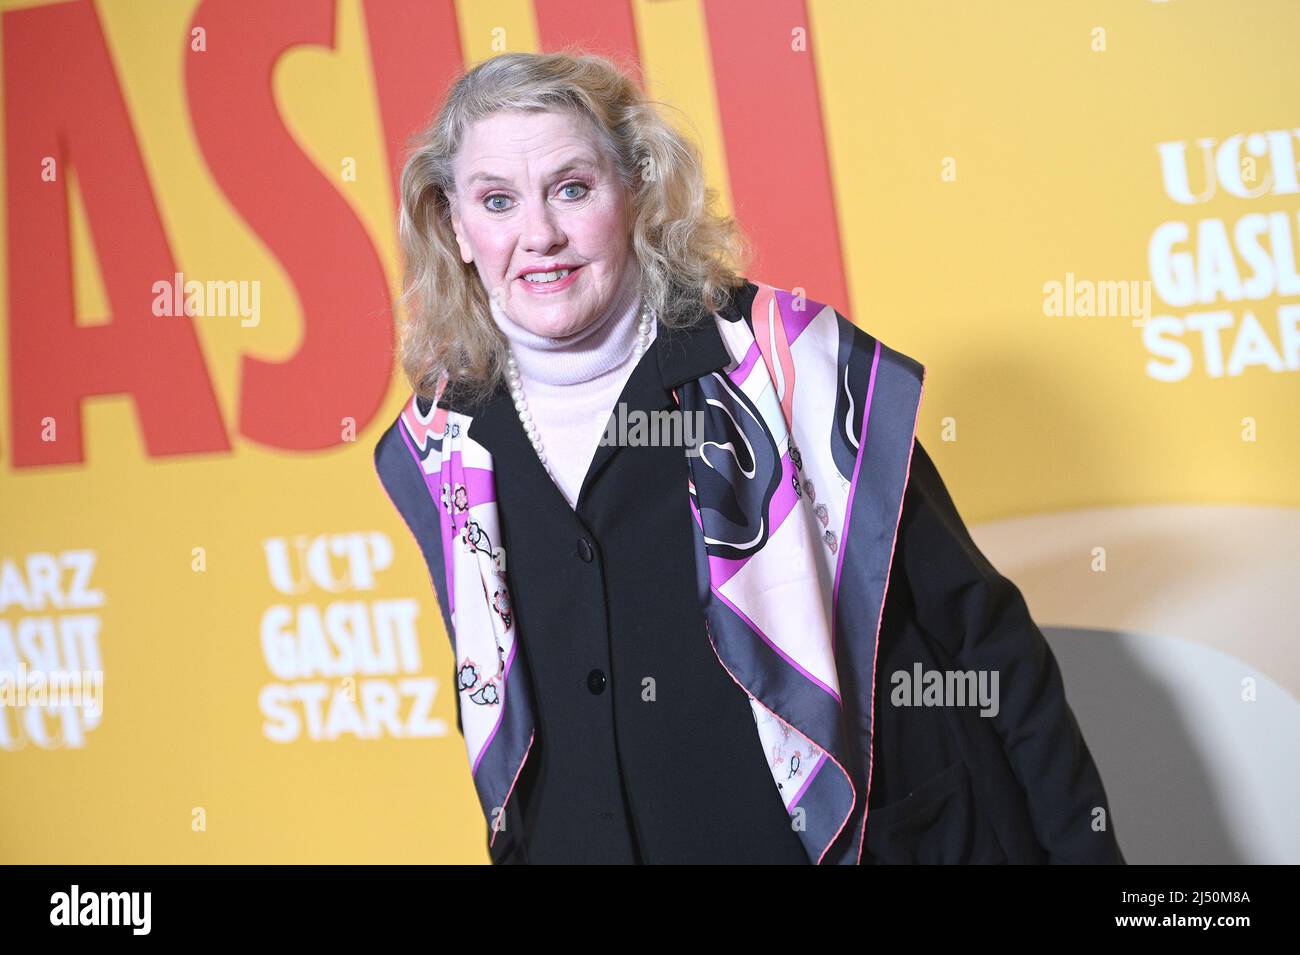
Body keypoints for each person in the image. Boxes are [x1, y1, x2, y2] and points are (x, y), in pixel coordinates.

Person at [373, 50, 1125, 865]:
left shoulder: (790, 362)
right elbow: (505, 717)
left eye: (573, 188)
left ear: (635, 188)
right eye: (497, 201)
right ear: (454, 224)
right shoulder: (442, 442)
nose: (540, 235)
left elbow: (981, 639)